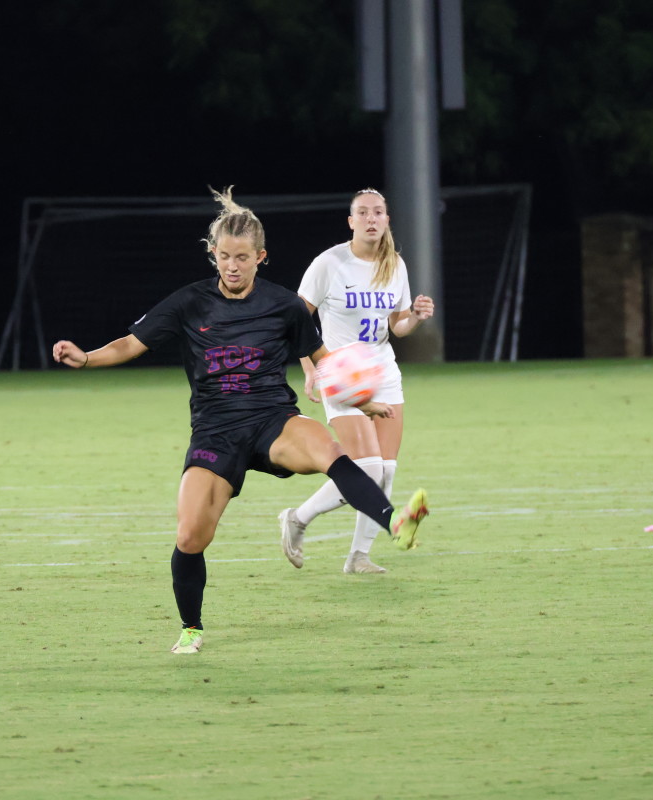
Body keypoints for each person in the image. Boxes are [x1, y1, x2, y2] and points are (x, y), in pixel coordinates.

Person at [52, 187, 429, 655]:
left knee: (331, 450)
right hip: (216, 431)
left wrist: (365, 401)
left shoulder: (284, 305)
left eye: (243, 258)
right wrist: (86, 358)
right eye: (224, 257)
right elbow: (131, 344)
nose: (232, 266)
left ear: (260, 257)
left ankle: (394, 525)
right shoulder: (189, 302)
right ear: (213, 255)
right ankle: (191, 627)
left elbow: (323, 359)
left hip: (273, 420)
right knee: (190, 534)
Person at [280, 188, 435, 575]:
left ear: (386, 220)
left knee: (386, 469)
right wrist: (310, 367)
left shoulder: (395, 264)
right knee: (366, 469)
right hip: (342, 375)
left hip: (383, 372)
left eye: (378, 212)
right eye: (363, 212)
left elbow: (396, 327)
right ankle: (297, 519)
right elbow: (297, 319)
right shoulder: (330, 263)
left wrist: (414, 316)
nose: (371, 218)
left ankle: (359, 556)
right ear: (351, 222)